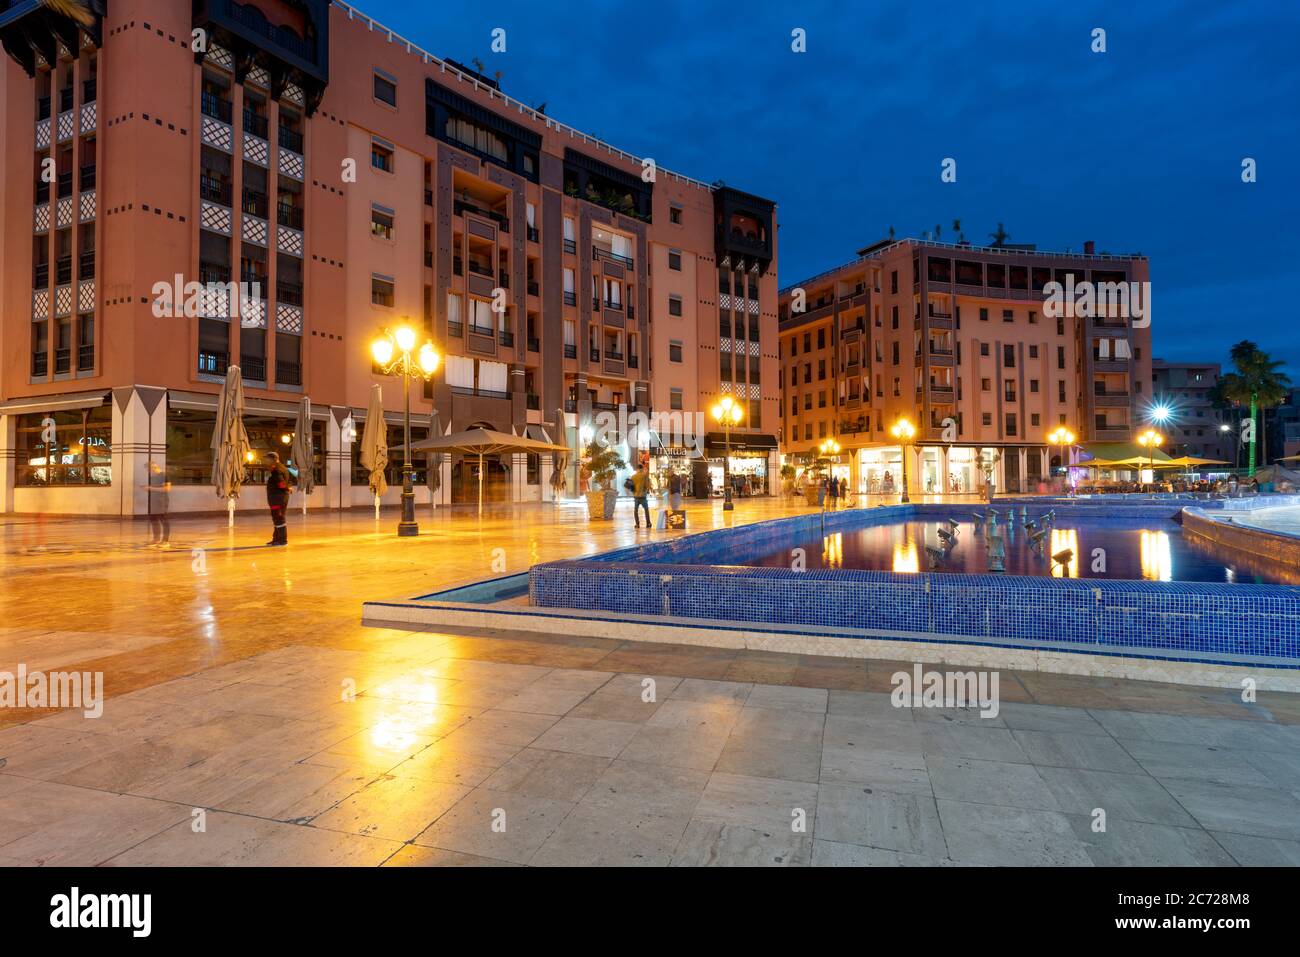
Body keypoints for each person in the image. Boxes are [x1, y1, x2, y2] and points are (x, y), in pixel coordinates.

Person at [264, 451, 294, 546]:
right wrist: (288, 488)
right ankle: (276, 539)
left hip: (277, 498)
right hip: (279, 497)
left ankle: (282, 540)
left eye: (268, 459)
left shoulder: (276, 469)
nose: (266, 461)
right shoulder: (283, 468)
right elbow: (288, 481)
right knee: (277, 518)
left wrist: (287, 488)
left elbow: (281, 483)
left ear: (274, 459)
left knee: (278, 518)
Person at [140, 461, 171, 546]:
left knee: (163, 519)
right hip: (153, 501)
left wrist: (151, 488)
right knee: (153, 519)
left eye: (149, 470)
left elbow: (167, 489)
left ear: (153, 467)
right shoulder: (152, 477)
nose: (148, 472)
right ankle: (156, 539)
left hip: (162, 501)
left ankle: (165, 541)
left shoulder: (163, 475)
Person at [631, 463, 651, 528]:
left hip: (636, 496)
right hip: (643, 496)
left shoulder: (633, 476)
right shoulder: (644, 476)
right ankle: (648, 523)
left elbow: (631, 487)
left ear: (637, 469)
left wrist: (634, 492)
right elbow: (646, 486)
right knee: (646, 510)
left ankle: (637, 524)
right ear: (642, 469)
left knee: (635, 511)